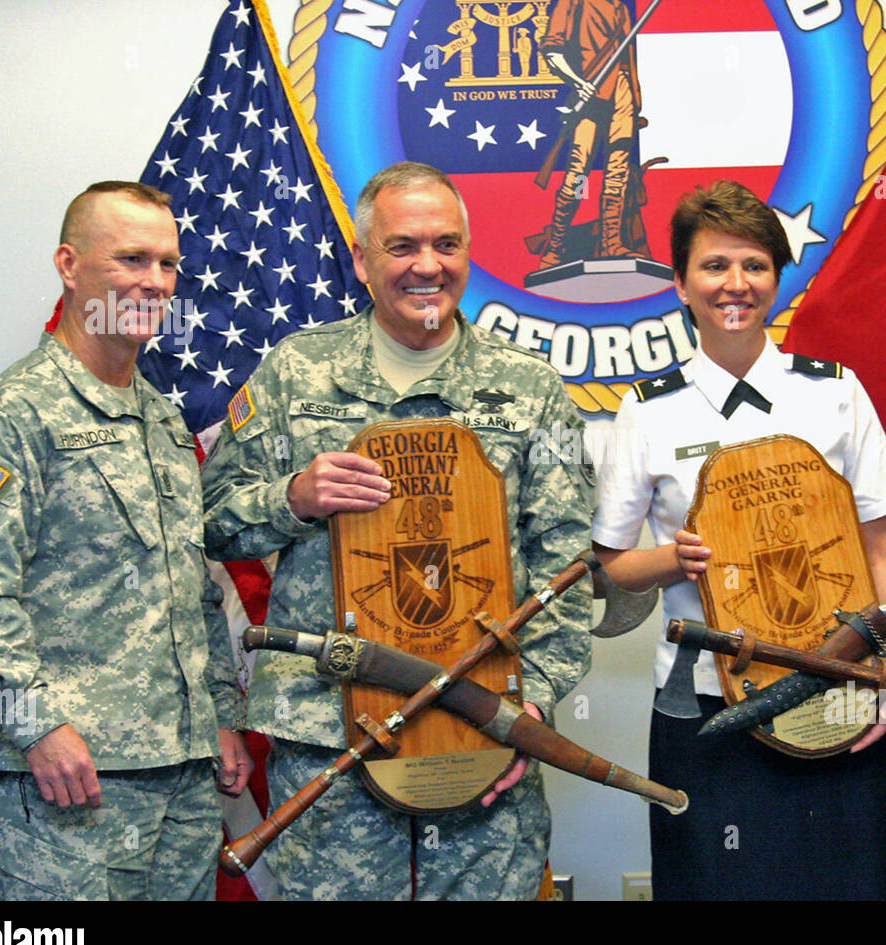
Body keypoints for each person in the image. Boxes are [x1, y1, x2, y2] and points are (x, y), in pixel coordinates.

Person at [200, 162, 592, 901]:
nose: (427, 265)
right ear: (361, 258)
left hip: (485, 726)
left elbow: (568, 563)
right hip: (330, 734)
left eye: (446, 244)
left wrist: (528, 706)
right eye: (402, 245)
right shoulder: (297, 372)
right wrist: (294, 497)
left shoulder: (531, 387)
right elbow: (211, 520)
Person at [591, 180, 886, 899]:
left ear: (779, 276)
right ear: (680, 283)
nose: (734, 284)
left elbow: (882, 547)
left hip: (839, 685)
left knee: (857, 884)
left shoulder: (834, 391)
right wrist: (671, 558)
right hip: (709, 706)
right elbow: (613, 565)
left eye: (754, 264)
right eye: (713, 266)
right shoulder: (647, 411)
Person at [0, 180, 250, 900]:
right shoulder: (2, 420)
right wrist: (37, 725)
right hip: (63, 788)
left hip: (180, 786)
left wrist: (219, 721)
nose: (154, 281)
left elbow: (191, 589)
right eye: (131, 259)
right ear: (69, 265)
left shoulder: (165, 427)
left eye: (169, 264)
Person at [537, 0, 643, 267]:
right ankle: (556, 247)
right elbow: (552, 50)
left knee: (617, 172)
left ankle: (611, 245)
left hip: (624, 91)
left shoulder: (620, 5)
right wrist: (577, 82)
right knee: (579, 176)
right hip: (592, 94)